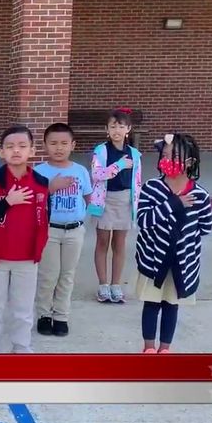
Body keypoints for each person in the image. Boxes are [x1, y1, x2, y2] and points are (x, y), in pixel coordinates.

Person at [0, 126, 50, 353]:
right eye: (10, 146)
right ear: (1, 152)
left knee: (23, 309)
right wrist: (7, 201)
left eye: (22, 146)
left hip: (27, 257)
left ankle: (21, 348)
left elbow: (46, 217)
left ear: (32, 151)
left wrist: (39, 248)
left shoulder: (41, 182)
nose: (16, 151)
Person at [136, 133, 211, 353]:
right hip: (154, 259)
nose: (168, 160)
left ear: (189, 162)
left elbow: (205, 227)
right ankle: (148, 348)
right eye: (165, 156)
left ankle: (165, 349)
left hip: (182, 262)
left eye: (174, 156)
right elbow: (143, 220)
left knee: (171, 304)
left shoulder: (201, 195)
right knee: (151, 303)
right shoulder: (151, 188)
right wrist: (174, 204)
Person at [33, 123, 92, 337]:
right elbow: (32, 200)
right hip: (49, 230)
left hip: (74, 231)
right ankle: (43, 315)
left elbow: (87, 196)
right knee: (48, 275)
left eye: (64, 143)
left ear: (73, 145)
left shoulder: (80, 171)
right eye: (54, 143)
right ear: (45, 145)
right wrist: (50, 188)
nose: (59, 148)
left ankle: (61, 316)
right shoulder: (39, 171)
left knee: (67, 275)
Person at [89, 108, 142, 303]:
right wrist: (118, 166)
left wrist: (137, 202)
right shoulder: (101, 150)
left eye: (121, 126)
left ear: (128, 129)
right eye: (113, 126)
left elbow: (137, 181)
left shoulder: (135, 154)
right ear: (107, 130)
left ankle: (115, 284)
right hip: (105, 200)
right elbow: (96, 175)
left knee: (119, 243)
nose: (117, 130)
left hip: (124, 201)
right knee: (102, 242)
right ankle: (103, 284)